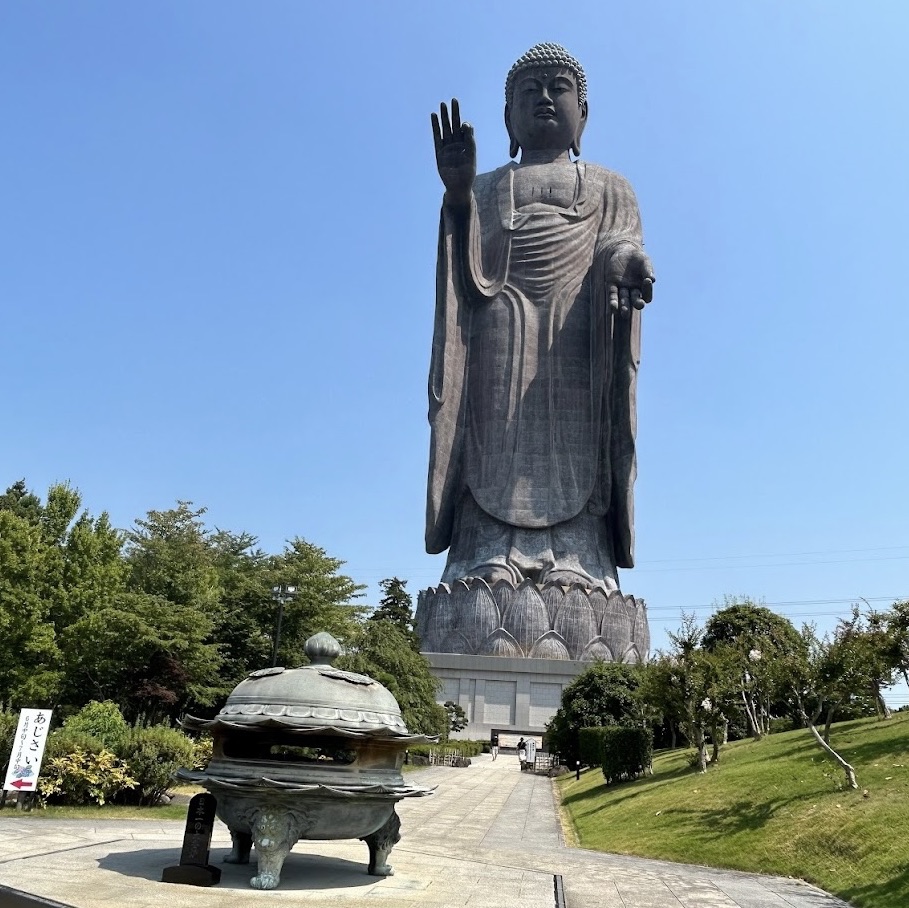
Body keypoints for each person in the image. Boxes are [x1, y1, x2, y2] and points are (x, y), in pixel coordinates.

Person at [427, 43, 655, 593]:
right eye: (529, 92)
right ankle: (482, 556)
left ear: (584, 112)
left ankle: (581, 560)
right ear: (509, 117)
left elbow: (620, 245)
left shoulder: (611, 186)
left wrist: (625, 262)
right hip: (498, 327)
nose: (545, 99)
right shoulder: (485, 186)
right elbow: (465, 274)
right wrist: (458, 197)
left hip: (580, 332)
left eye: (559, 88)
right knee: (493, 431)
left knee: (580, 431)